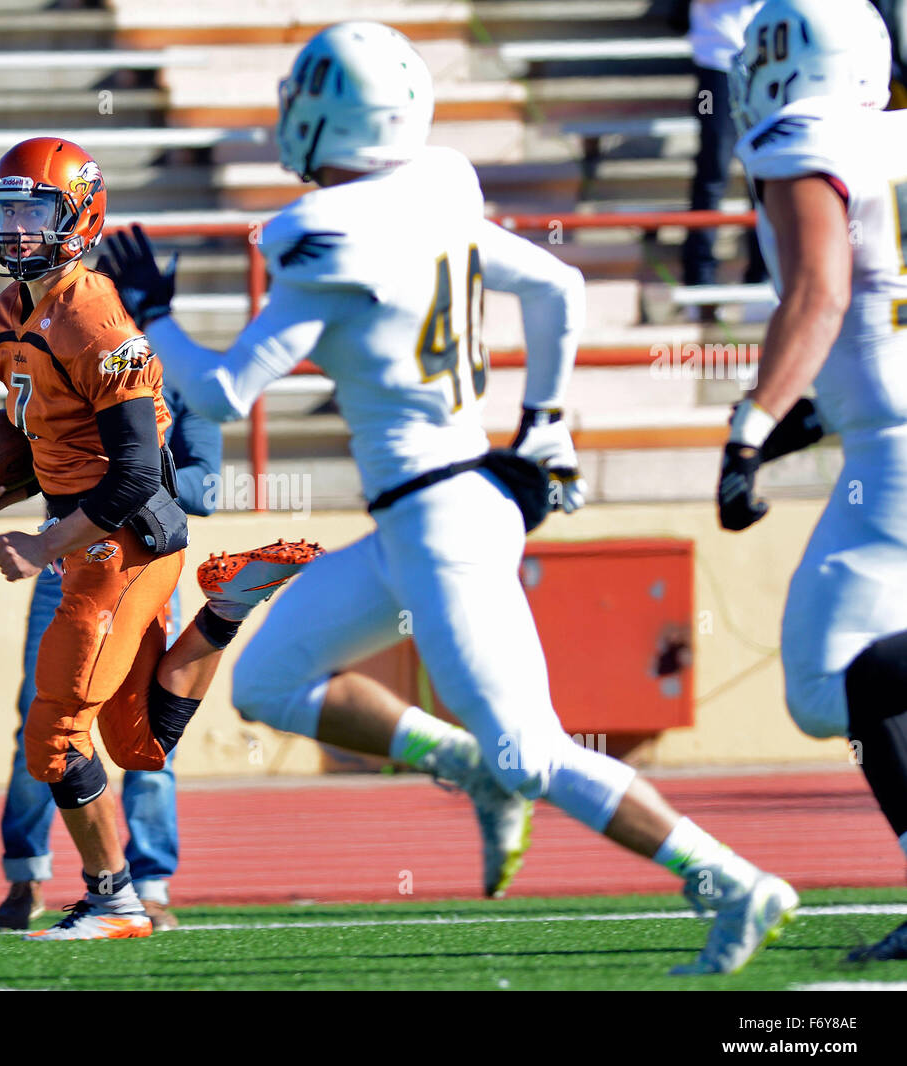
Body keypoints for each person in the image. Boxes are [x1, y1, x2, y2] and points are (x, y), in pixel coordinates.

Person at [100, 21, 798, 973]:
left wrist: (155, 319)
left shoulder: (330, 236)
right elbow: (558, 284)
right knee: (267, 684)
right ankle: (465, 768)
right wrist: (546, 420)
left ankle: (733, 882)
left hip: (442, 522)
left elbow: (222, 392)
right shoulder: (438, 192)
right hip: (432, 515)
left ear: (325, 116)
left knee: (536, 754)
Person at [0, 135, 322, 940]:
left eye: (32, 212)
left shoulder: (91, 314)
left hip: (125, 544)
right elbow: (52, 442)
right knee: (137, 742)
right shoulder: (9, 314)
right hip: (90, 540)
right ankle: (225, 609)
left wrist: (42, 545)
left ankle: (115, 895)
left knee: (53, 733)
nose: (13, 229)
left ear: (79, 215)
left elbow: (135, 474)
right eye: (5, 211)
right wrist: (2, 484)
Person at [718, 0, 907, 961]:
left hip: (896, 455)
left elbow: (823, 292)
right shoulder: (889, 139)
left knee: (845, 675)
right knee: (847, 678)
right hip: (883, 441)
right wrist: (800, 422)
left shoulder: (803, 133)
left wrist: (752, 426)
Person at [0, 381, 221, 933]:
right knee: (43, 715)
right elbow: (35, 457)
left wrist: (132, 478)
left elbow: (205, 487)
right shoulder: (69, 368)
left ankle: (148, 884)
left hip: (144, 562)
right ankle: (27, 871)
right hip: (71, 563)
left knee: (137, 727)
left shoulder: (180, 385)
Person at [681, 0, 768, 289]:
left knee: (764, 173)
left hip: (764, 64)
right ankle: (699, 275)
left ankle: (763, 273)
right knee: (712, 170)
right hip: (717, 63)